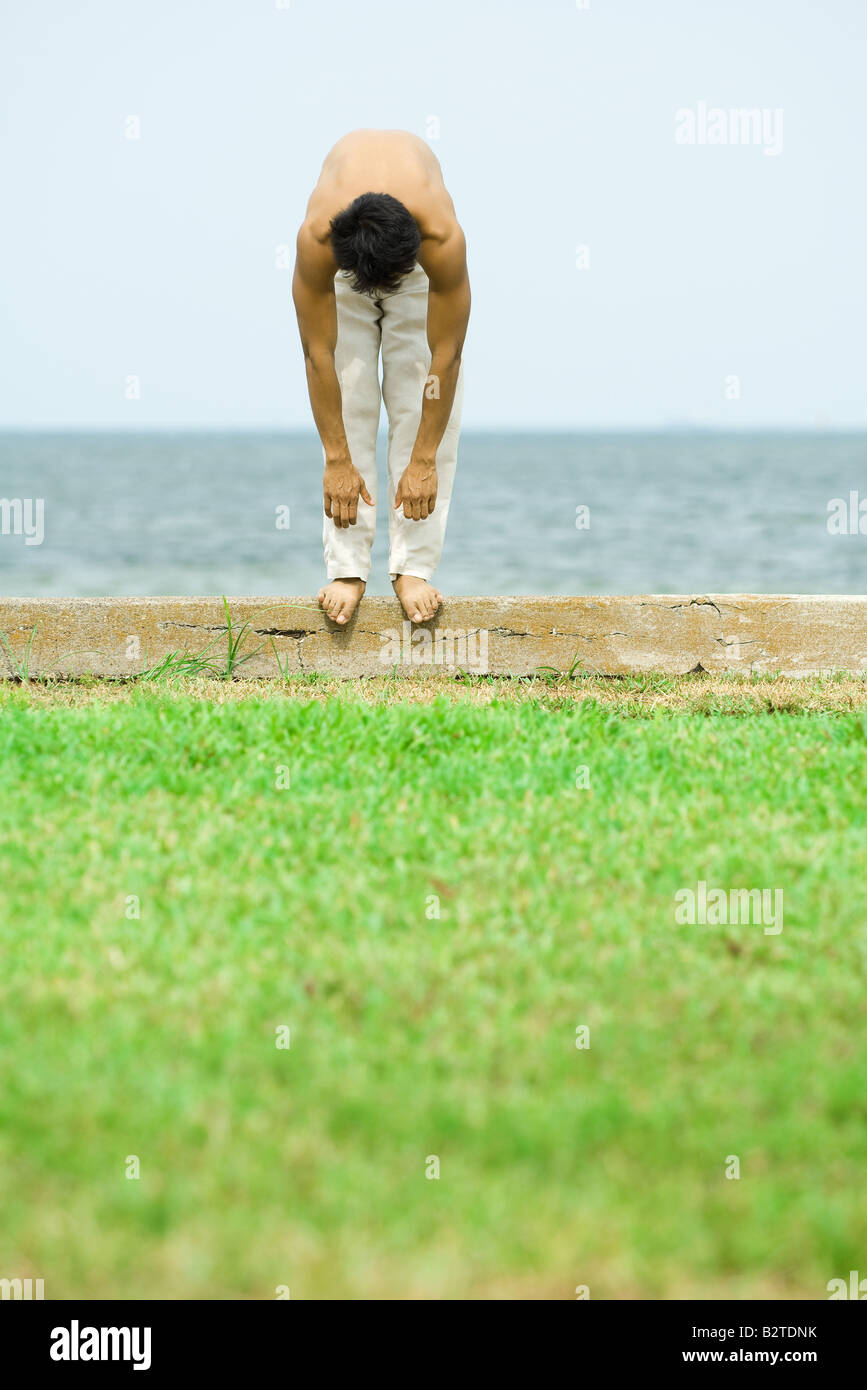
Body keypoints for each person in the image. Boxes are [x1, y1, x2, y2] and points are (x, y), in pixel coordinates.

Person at [293, 129, 470, 625]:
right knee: (350, 395)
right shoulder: (318, 240)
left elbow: (446, 356)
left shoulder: (441, 241)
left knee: (419, 396)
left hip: (413, 270)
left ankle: (412, 567)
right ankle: (347, 569)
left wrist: (424, 460)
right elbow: (317, 353)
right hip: (348, 266)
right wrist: (336, 459)